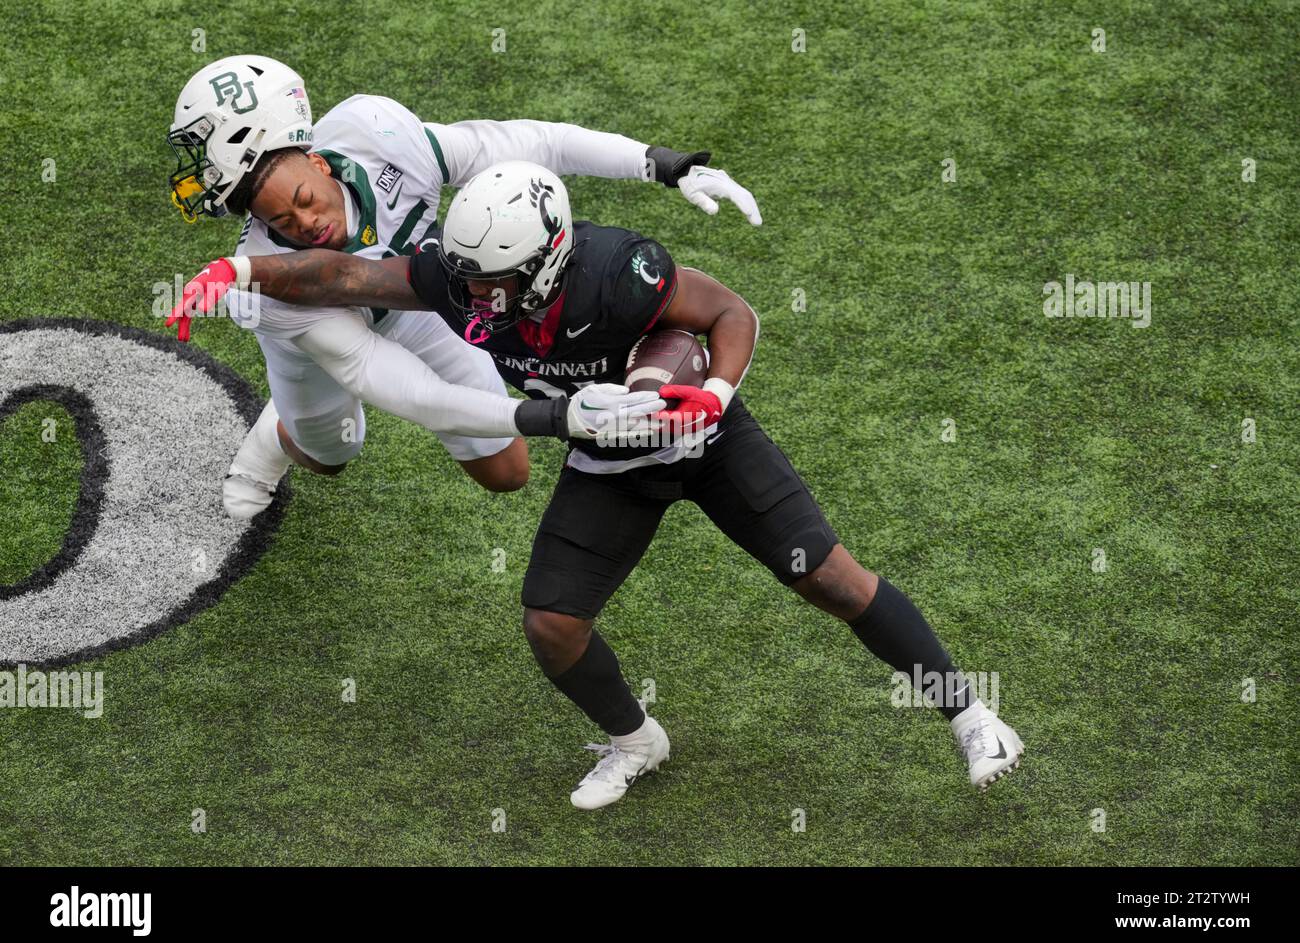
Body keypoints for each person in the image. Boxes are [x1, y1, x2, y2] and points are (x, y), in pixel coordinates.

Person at [170, 161, 1025, 809]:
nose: (471, 299)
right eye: (463, 279)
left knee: (829, 577)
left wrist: (704, 394)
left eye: (490, 284)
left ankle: (970, 714)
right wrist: (241, 273)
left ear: (544, 264)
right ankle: (635, 739)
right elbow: (350, 277)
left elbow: (728, 315)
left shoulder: (621, 269)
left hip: (703, 441)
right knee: (551, 621)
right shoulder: (461, 274)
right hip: (607, 458)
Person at [166, 55, 761, 516]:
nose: (305, 224)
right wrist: (556, 416)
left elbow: (540, 144)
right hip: (330, 345)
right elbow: (400, 388)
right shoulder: (261, 282)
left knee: (507, 473)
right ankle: (276, 437)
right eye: (280, 221)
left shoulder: (374, 134)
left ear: (318, 160)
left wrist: (660, 162)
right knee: (331, 454)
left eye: (304, 199)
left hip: (426, 302)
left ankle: (287, 426)